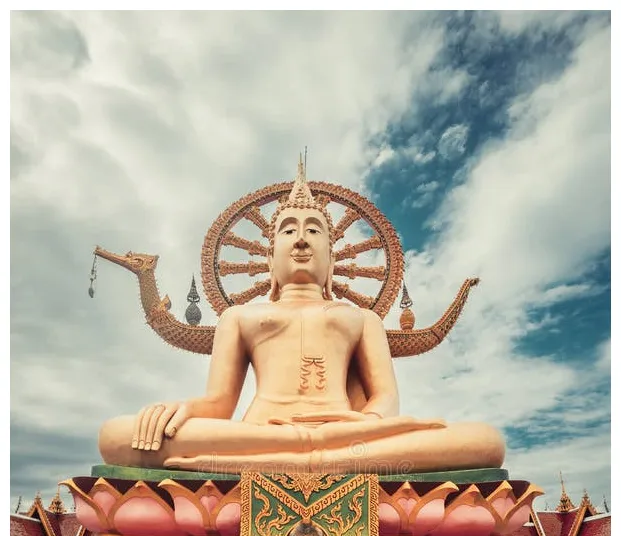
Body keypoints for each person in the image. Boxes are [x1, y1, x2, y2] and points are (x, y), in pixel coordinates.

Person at [98, 162, 505, 475]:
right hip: (262, 433)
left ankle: (304, 458)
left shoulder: (362, 318)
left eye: (314, 230)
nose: (301, 238)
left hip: (348, 435)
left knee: (486, 443)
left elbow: (385, 401)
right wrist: (178, 410)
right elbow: (219, 405)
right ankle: (318, 459)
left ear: (332, 257)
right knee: (117, 436)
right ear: (270, 257)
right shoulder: (240, 316)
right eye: (288, 230)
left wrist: (359, 425)